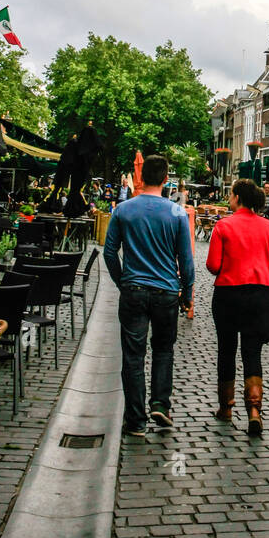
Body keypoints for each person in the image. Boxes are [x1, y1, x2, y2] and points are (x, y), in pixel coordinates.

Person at [103, 154, 194, 438]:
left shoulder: (123, 210)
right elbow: (186, 260)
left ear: (142, 178)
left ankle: (136, 420)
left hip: (134, 290)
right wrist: (187, 291)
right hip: (167, 291)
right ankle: (160, 404)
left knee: (133, 355)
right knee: (164, 349)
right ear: (166, 179)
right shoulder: (177, 213)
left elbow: (109, 252)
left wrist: (123, 282)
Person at [206, 178, 269, 435]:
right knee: (252, 353)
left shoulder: (223, 226)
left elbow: (213, 265)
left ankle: (226, 407)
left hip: (228, 294)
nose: (229, 199)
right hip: (260, 295)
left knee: (226, 351)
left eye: (230, 194)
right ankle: (254, 410)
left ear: (238, 197)